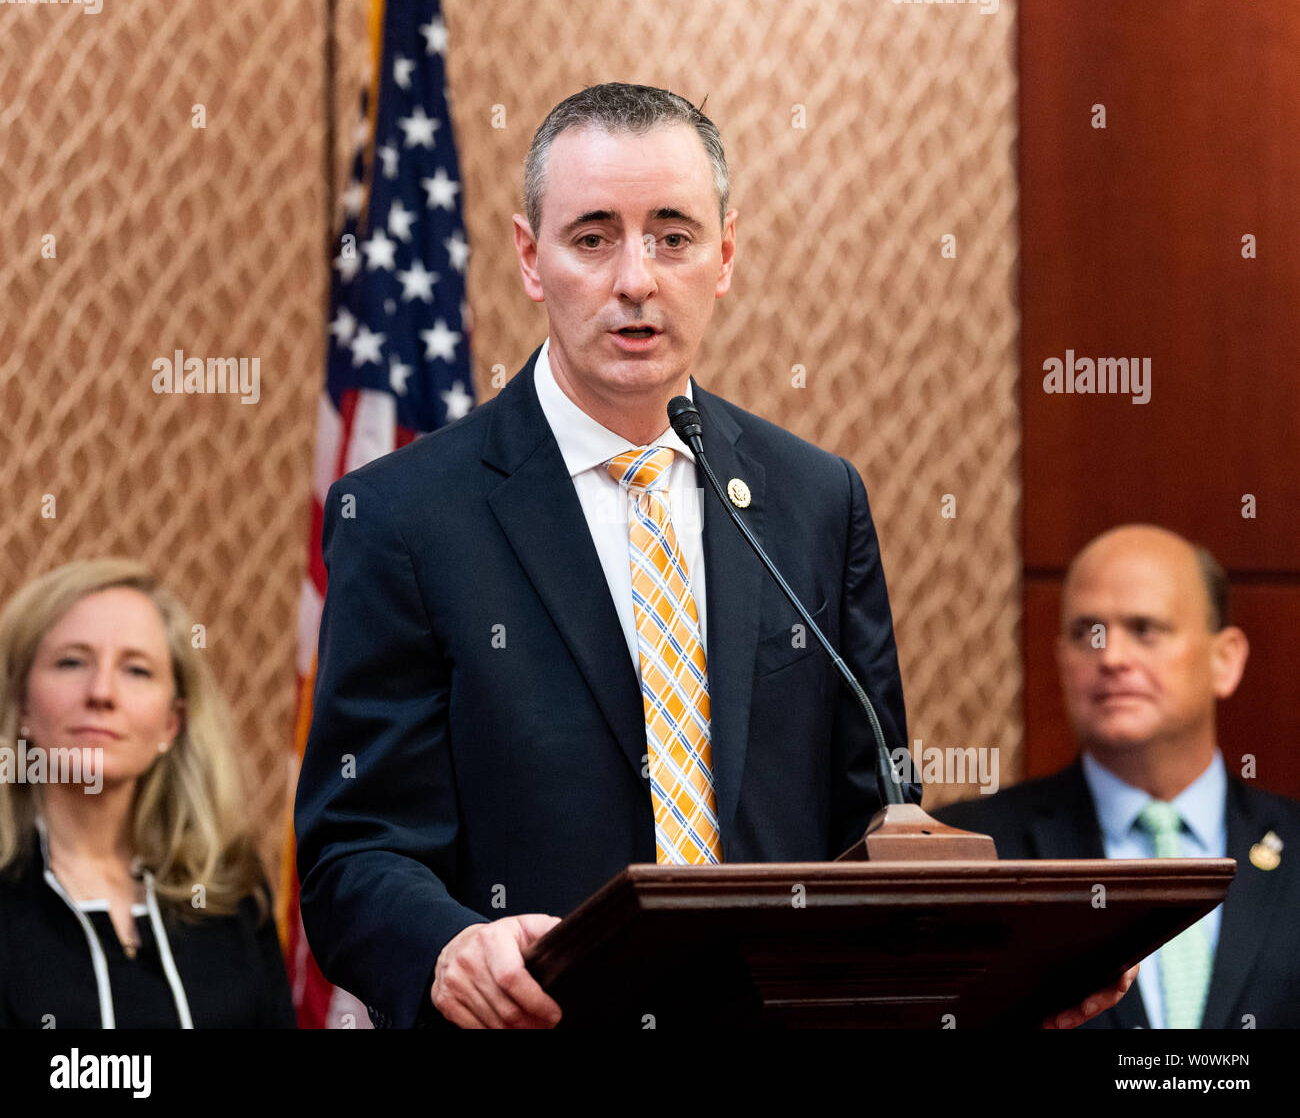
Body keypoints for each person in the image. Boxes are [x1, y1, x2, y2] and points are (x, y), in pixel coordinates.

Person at [295, 82, 1132, 1030]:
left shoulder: (817, 500)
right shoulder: (408, 514)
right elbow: (352, 851)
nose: (637, 279)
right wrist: (448, 943)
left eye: (674, 235)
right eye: (594, 236)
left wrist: (1000, 978)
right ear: (531, 258)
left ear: (725, 254)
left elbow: (878, 822)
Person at [937, 525, 1300, 1028]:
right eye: (1088, 633)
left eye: (1145, 629)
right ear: (1060, 658)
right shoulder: (969, 853)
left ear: (1225, 659)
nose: (1111, 658)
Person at [0, 559, 296, 1028]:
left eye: (136, 670)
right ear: (21, 705)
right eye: (72, 662)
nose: (102, 692)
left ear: (171, 722)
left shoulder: (227, 884)